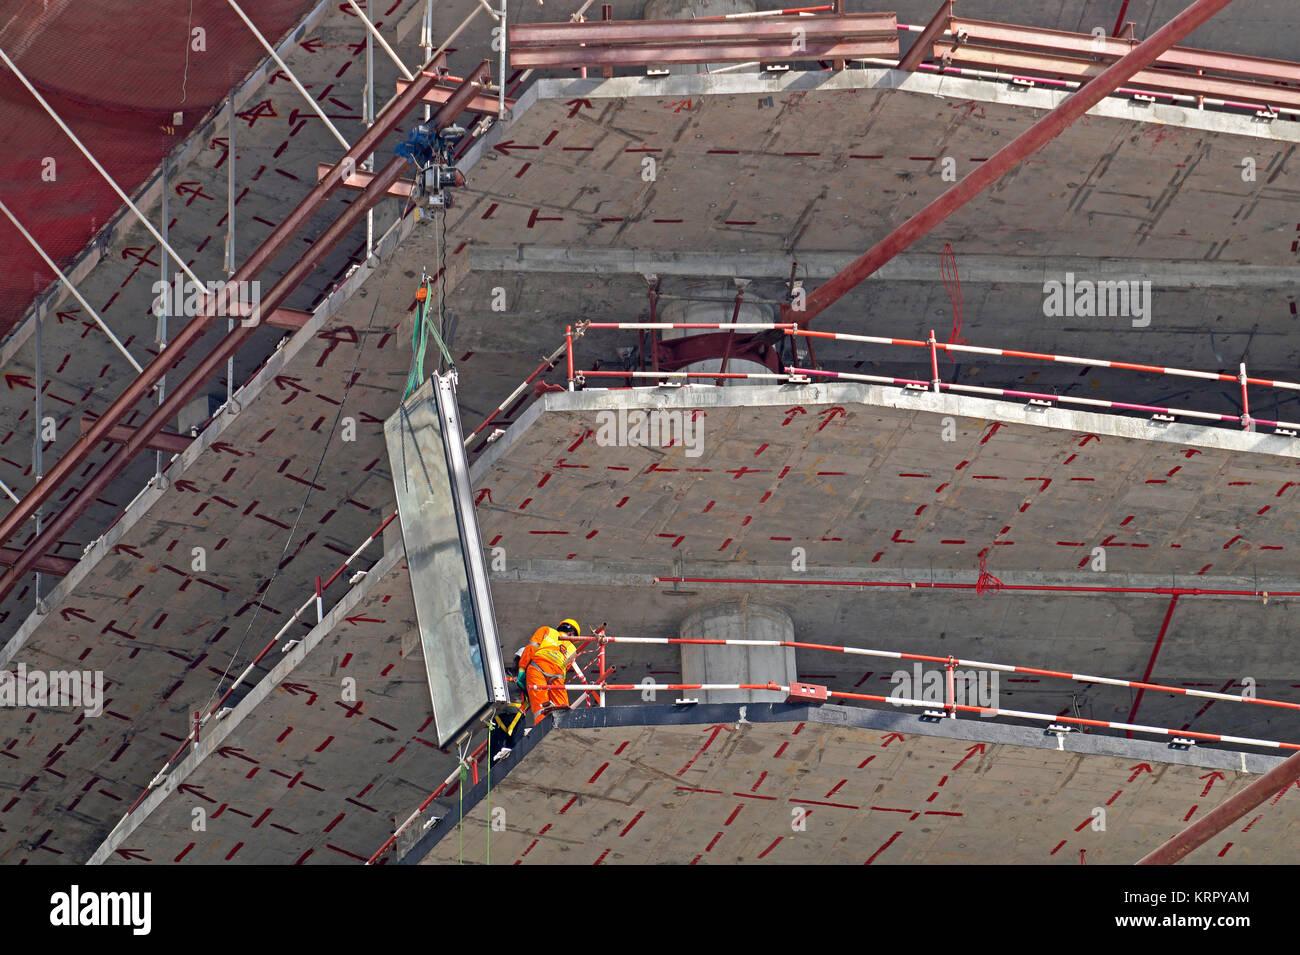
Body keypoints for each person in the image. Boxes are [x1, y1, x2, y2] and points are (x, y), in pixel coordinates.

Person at [517, 619, 581, 722]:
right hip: (557, 676)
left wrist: (522, 668)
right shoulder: (573, 649)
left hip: (537, 669)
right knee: (562, 707)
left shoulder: (546, 630)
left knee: (540, 706)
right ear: (572, 633)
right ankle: (562, 729)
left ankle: (542, 728)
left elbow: (531, 648)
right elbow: (566, 668)